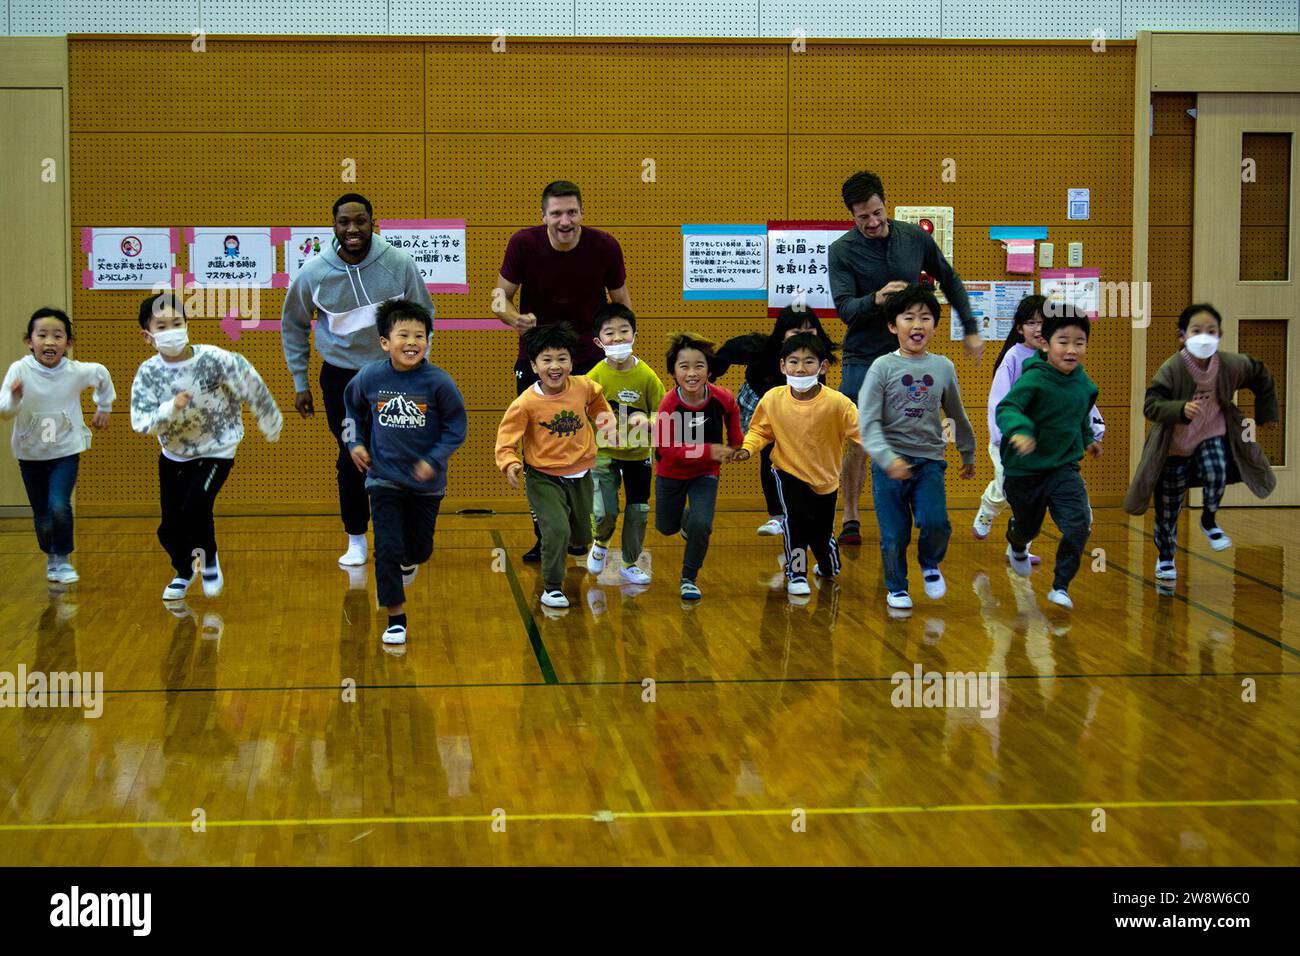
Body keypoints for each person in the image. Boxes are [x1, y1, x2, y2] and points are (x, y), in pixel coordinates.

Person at [828, 170, 983, 547]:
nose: (873, 222)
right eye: (863, 217)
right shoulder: (842, 250)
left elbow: (949, 278)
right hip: (863, 353)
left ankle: (910, 505)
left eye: (878, 212)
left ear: (885, 203)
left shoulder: (915, 238)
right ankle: (850, 514)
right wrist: (877, 298)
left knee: (915, 427)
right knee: (861, 437)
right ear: (852, 215)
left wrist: (970, 326)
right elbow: (845, 308)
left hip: (909, 353)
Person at [281, 193, 434, 569]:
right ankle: (356, 539)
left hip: (394, 373)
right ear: (334, 226)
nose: (352, 229)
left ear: (372, 223)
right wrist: (300, 381)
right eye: (344, 222)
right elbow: (294, 326)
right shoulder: (313, 272)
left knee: (397, 455)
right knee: (353, 456)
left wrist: (418, 368)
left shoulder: (399, 264)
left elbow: (424, 315)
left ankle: (396, 542)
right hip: (341, 379)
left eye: (360, 221)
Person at [492, 180, 632, 562]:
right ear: (544, 217)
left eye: (572, 212)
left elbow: (621, 304)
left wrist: (621, 351)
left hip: (590, 357)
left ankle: (588, 528)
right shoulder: (523, 243)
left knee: (599, 443)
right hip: (537, 356)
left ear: (582, 214)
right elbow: (498, 296)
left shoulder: (605, 246)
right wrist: (512, 317)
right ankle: (548, 533)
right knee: (539, 443)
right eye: (556, 213)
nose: (565, 220)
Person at [132, 292, 282, 602]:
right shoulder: (148, 374)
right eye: (162, 326)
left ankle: (208, 559)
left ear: (187, 325)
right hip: (174, 454)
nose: (171, 331)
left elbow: (251, 384)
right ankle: (184, 571)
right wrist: (169, 408)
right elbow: (141, 421)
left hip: (217, 449)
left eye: (177, 323)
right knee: (170, 528)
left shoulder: (214, 359)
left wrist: (270, 421)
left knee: (196, 506)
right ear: (148, 336)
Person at [1124, 303, 1279, 580]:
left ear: (1220, 335)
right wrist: (1179, 409)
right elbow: (1152, 405)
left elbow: (1260, 372)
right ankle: (1166, 557)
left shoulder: (1230, 365)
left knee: (1217, 470)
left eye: (1211, 330)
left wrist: (1266, 411)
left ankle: (1209, 519)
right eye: (1197, 330)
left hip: (1212, 434)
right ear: (1182, 335)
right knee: (1169, 506)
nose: (1204, 336)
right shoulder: (1172, 368)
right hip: (1175, 447)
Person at [344, 299, 467, 647]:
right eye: (403, 335)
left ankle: (410, 562)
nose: (412, 342)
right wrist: (354, 442)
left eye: (419, 335)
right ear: (385, 342)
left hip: (427, 485)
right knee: (385, 547)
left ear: (428, 340)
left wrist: (434, 458)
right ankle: (395, 617)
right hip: (383, 479)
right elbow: (350, 405)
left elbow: (457, 426)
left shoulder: (439, 382)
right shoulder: (370, 377)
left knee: (419, 549)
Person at [858, 286, 976, 609]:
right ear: (893, 326)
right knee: (894, 533)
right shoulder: (881, 367)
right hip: (888, 466)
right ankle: (896, 587)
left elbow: (956, 412)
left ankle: (930, 562)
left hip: (929, 463)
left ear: (934, 326)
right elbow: (866, 422)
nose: (918, 324)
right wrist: (886, 459)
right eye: (909, 317)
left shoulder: (943, 367)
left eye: (925, 318)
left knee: (936, 521)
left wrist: (967, 451)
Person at [495, 323, 617, 609]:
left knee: (581, 537)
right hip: (543, 477)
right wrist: (510, 464)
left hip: (581, 472)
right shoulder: (525, 403)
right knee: (556, 531)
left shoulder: (583, 387)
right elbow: (506, 440)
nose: (555, 366)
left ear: (571, 362)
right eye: (547, 360)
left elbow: (598, 402)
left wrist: (606, 422)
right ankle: (552, 587)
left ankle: (579, 545)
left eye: (562, 358)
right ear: (534, 366)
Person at [975, 294, 1105, 563]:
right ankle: (988, 507)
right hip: (1011, 442)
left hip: (1044, 446)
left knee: (1032, 500)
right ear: (1019, 327)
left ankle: (1018, 547)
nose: (1037, 328)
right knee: (1004, 491)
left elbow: (1076, 395)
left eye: (1042, 322)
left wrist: (1093, 426)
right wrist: (1004, 435)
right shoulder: (1013, 357)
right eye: (1031, 322)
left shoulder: (1058, 356)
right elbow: (999, 400)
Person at [732, 333, 860, 597]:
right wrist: (746, 449)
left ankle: (827, 564)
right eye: (793, 361)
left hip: (826, 478)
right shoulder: (772, 399)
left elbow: (864, 433)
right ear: (782, 366)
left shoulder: (838, 403)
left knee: (821, 534)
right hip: (786, 471)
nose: (800, 368)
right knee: (796, 523)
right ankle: (797, 573)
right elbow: (760, 432)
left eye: (809, 361)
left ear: (823, 367)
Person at [995, 303, 1101, 610]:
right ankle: (1017, 542)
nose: (1071, 350)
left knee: (1079, 524)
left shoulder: (1084, 385)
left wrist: (1088, 439)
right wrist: (1021, 431)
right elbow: (1008, 408)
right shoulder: (1034, 379)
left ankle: (1061, 586)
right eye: (1063, 342)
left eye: (1079, 343)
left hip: (1063, 468)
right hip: (1024, 470)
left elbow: (1079, 415)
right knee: (1029, 527)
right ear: (1046, 343)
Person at [0, 307, 115, 585]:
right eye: (42, 335)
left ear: (68, 343)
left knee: (59, 506)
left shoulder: (76, 371)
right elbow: (5, 411)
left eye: (57, 335)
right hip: (30, 454)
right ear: (30, 341)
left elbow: (100, 374)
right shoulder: (20, 369)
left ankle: (62, 559)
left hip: (65, 451)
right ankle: (51, 558)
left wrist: (104, 406)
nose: (49, 342)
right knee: (43, 514)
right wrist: (15, 398)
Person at [715, 306, 837, 535]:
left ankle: (805, 512)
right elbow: (729, 349)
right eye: (795, 333)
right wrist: (713, 371)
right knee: (769, 453)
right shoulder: (760, 349)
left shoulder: (817, 359)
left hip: (796, 407)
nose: (803, 339)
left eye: (810, 333)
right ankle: (776, 516)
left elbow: (822, 391)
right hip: (760, 402)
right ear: (782, 335)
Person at [653, 334, 743, 601]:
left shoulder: (722, 397)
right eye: (684, 366)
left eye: (699, 366)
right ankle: (684, 521)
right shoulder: (669, 404)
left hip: (706, 473)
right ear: (673, 372)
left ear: (710, 370)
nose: (692, 373)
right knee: (666, 527)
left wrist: (736, 442)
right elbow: (669, 450)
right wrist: (709, 450)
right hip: (671, 472)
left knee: (702, 523)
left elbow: (733, 411)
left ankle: (689, 577)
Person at [584, 303, 665, 585]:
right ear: (599, 341)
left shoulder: (647, 376)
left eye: (624, 332)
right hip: (603, 453)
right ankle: (601, 542)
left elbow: (665, 412)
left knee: (638, 510)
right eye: (610, 333)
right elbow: (582, 414)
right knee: (604, 511)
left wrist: (650, 422)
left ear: (634, 336)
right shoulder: (594, 377)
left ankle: (630, 562)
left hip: (639, 454)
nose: (617, 339)